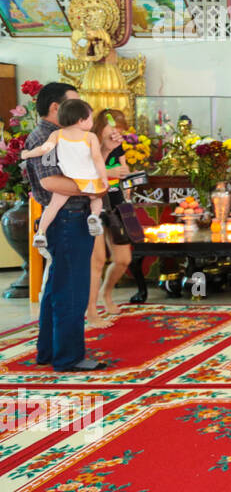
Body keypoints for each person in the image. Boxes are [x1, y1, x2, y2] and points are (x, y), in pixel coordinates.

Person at [25, 83, 103, 372]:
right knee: (72, 289)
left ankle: (49, 350)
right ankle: (69, 356)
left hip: (72, 215)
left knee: (58, 288)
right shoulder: (43, 137)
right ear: (57, 108)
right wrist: (93, 187)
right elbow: (50, 182)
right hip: (67, 218)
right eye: (75, 106)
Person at [23, 99, 108, 252]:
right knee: (96, 199)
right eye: (90, 118)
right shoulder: (90, 137)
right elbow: (97, 158)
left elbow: (44, 149)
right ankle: (94, 216)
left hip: (69, 177)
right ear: (81, 120)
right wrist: (103, 177)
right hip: (89, 178)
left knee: (53, 206)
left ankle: (41, 233)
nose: (91, 122)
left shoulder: (57, 134)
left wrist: (27, 154)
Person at [86, 109, 137, 326]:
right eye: (113, 127)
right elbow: (87, 172)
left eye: (120, 128)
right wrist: (110, 172)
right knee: (97, 260)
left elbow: (124, 167)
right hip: (95, 202)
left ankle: (106, 294)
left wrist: (123, 174)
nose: (117, 132)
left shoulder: (118, 145)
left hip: (118, 202)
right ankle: (91, 310)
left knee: (124, 258)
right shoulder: (90, 142)